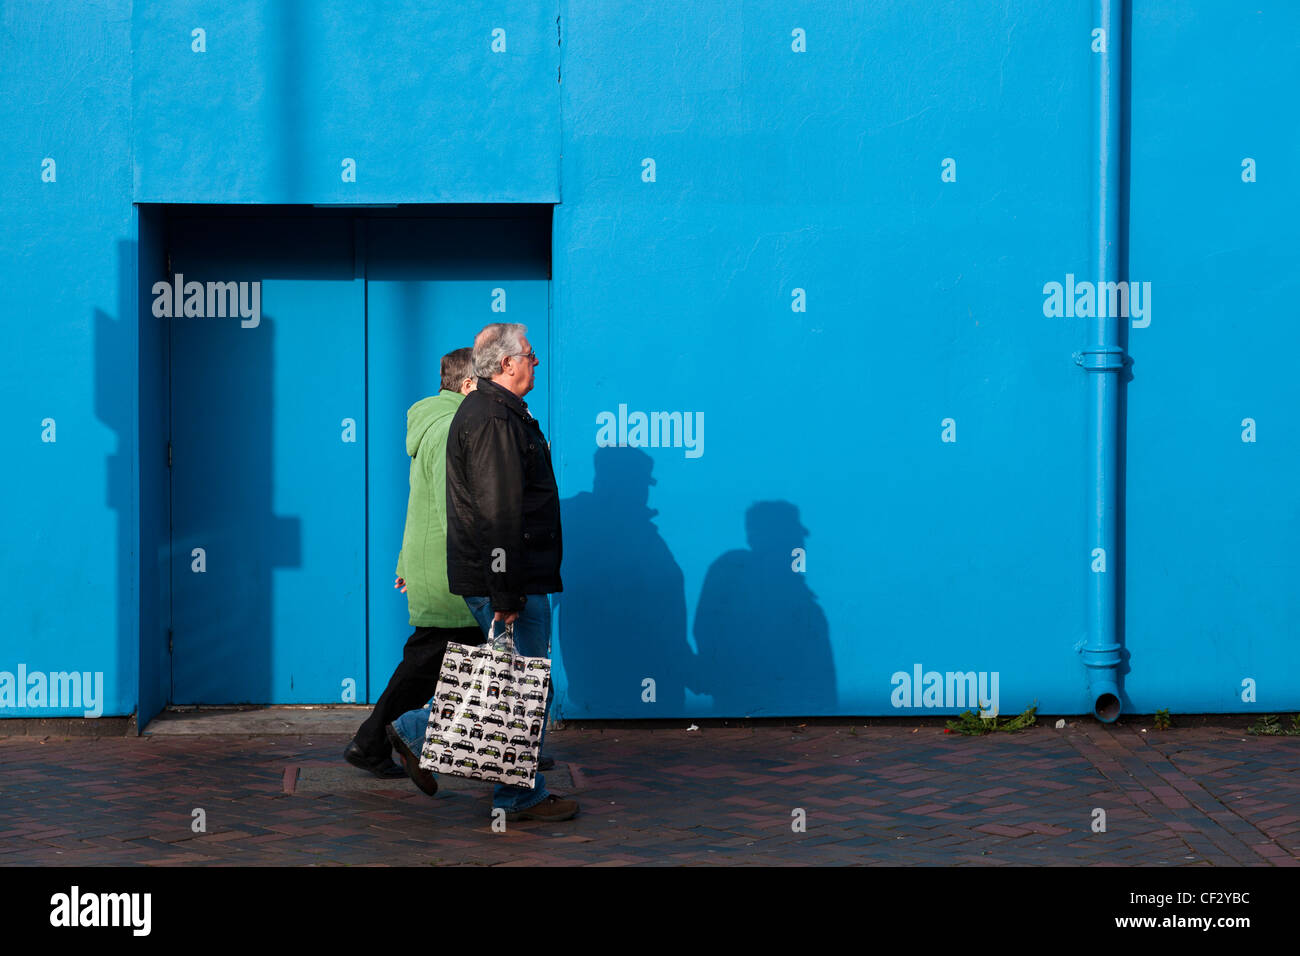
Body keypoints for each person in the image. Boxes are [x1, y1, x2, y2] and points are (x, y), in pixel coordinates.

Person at [391, 323, 577, 822]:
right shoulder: (495, 418)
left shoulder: (496, 412)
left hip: (508, 577)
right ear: (506, 364)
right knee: (523, 686)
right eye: (531, 356)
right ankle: (503, 786)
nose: (536, 363)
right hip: (509, 580)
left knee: (517, 684)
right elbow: (497, 513)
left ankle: (506, 784)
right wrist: (506, 593)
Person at [343, 348, 481, 794]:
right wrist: (476, 569)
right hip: (451, 573)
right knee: (446, 663)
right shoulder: (448, 428)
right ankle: (382, 740)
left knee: (431, 664)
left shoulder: (438, 422)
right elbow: (450, 508)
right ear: (468, 386)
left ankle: (376, 742)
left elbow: (419, 505)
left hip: (436, 566)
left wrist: (407, 563)